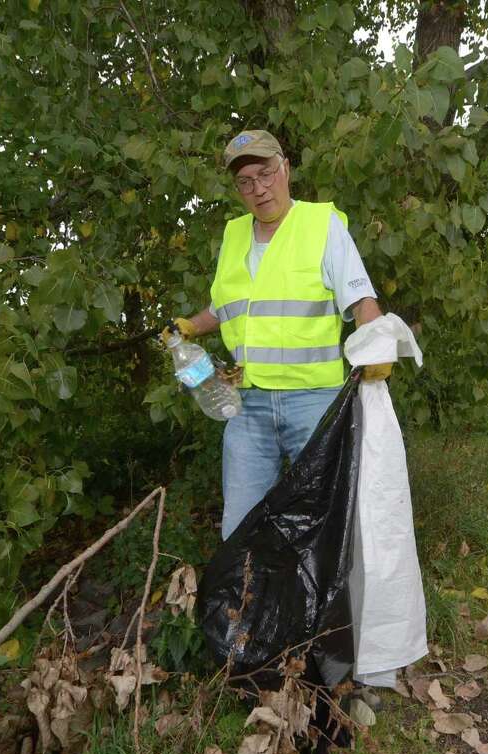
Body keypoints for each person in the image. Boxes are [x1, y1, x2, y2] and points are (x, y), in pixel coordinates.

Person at [167, 130, 389, 540]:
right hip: (247, 405)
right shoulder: (234, 236)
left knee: (324, 523)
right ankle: (251, 604)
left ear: (285, 169)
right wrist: (190, 326)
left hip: (314, 403)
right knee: (240, 526)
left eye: (266, 173)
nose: (259, 189)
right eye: (246, 182)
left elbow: (361, 299)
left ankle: (325, 605)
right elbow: (226, 306)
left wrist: (376, 343)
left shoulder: (320, 224)